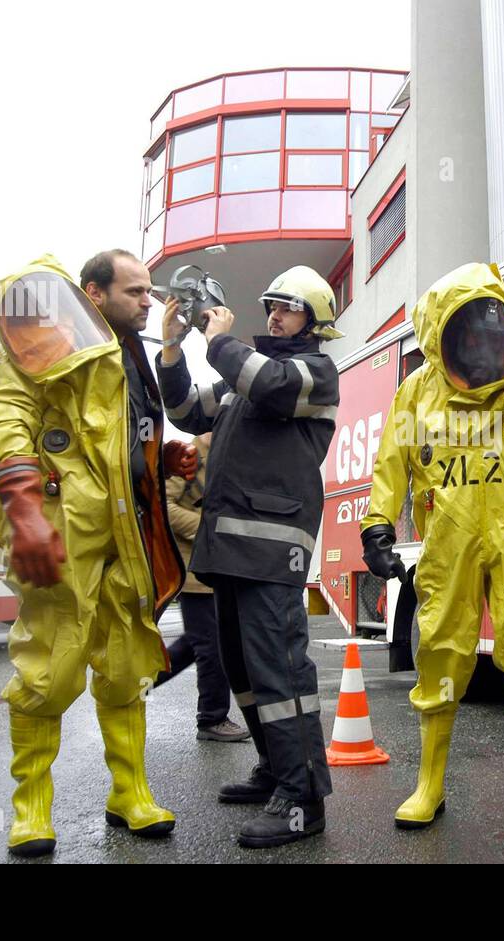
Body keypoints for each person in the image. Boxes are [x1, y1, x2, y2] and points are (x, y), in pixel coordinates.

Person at [0, 252, 194, 857]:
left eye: (149, 291)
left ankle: (129, 792)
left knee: (125, 663)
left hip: (128, 534)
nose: (149, 301)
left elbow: (124, 439)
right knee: (51, 666)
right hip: (66, 530)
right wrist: (25, 512)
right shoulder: (32, 348)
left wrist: (163, 461)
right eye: (136, 291)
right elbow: (7, 424)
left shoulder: (133, 356)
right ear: (93, 293)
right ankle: (31, 809)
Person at [360, 262, 504, 840]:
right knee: (440, 651)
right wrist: (376, 526)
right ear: (442, 335)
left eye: (488, 327)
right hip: (448, 538)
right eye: (467, 331)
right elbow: (392, 465)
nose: (480, 343)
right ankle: (430, 784)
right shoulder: (415, 392)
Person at [156, 265, 341, 848]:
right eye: (271, 307)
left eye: (286, 308)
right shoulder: (247, 375)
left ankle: (302, 798)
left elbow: (262, 378)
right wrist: (170, 347)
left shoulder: (312, 372)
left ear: (314, 319)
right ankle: (274, 769)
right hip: (230, 546)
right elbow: (186, 409)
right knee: (244, 668)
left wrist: (215, 340)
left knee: (279, 669)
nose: (275, 316)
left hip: (271, 545)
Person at [156, 432, 251, 742]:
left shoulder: (234, 451)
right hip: (195, 571)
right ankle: (212, 719)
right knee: (211, 648)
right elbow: (163, 507)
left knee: (192, 646)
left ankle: (132, 687)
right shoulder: (193, 452)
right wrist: (210, 530)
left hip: (220, 568)